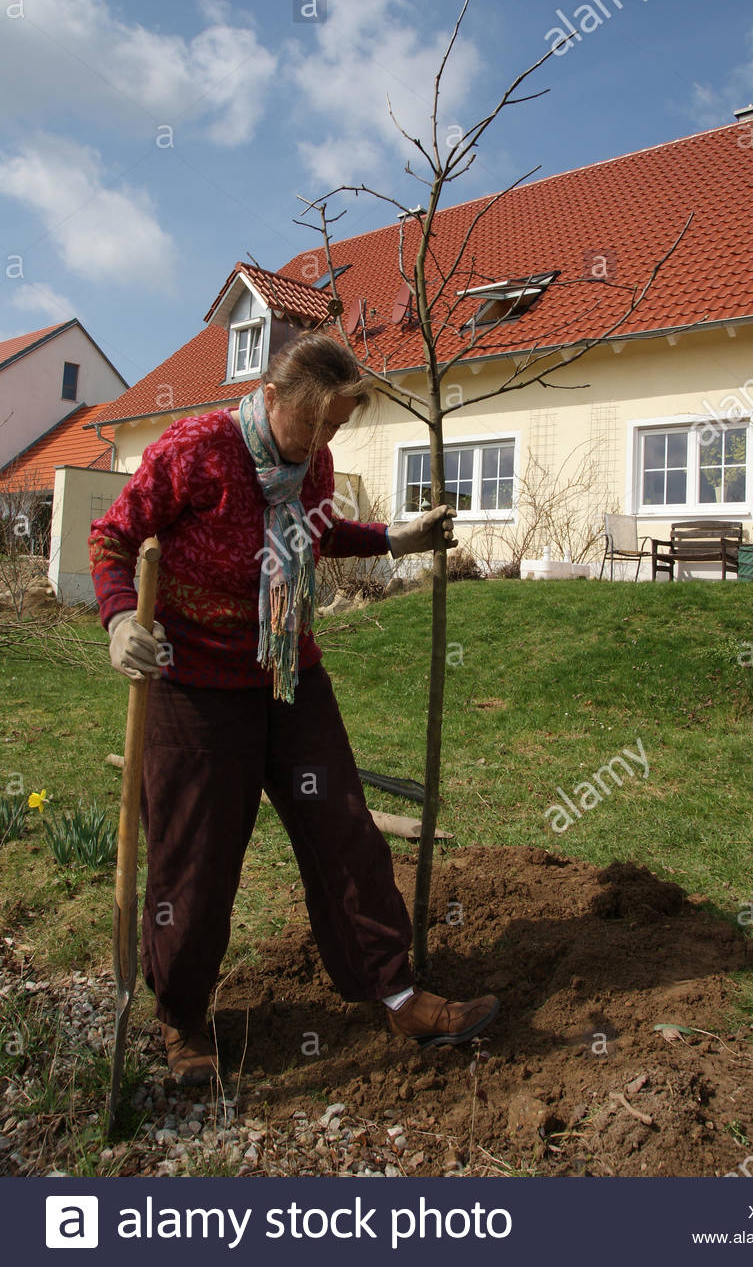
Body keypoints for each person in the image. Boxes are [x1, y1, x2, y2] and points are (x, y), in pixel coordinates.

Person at [89, 331, 499, 1085]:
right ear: (272, 397)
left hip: (284, 672)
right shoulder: (197, 447)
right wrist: (120, 620)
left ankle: (397, 990)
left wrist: (393, 536)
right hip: (193, 681)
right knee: (199, 856)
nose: (323, 439)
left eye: (337, 426)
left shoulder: (313, 466)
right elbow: (113, 538)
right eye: (315, 421)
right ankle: (181, 1022)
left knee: (342, 825)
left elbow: (319, 533)